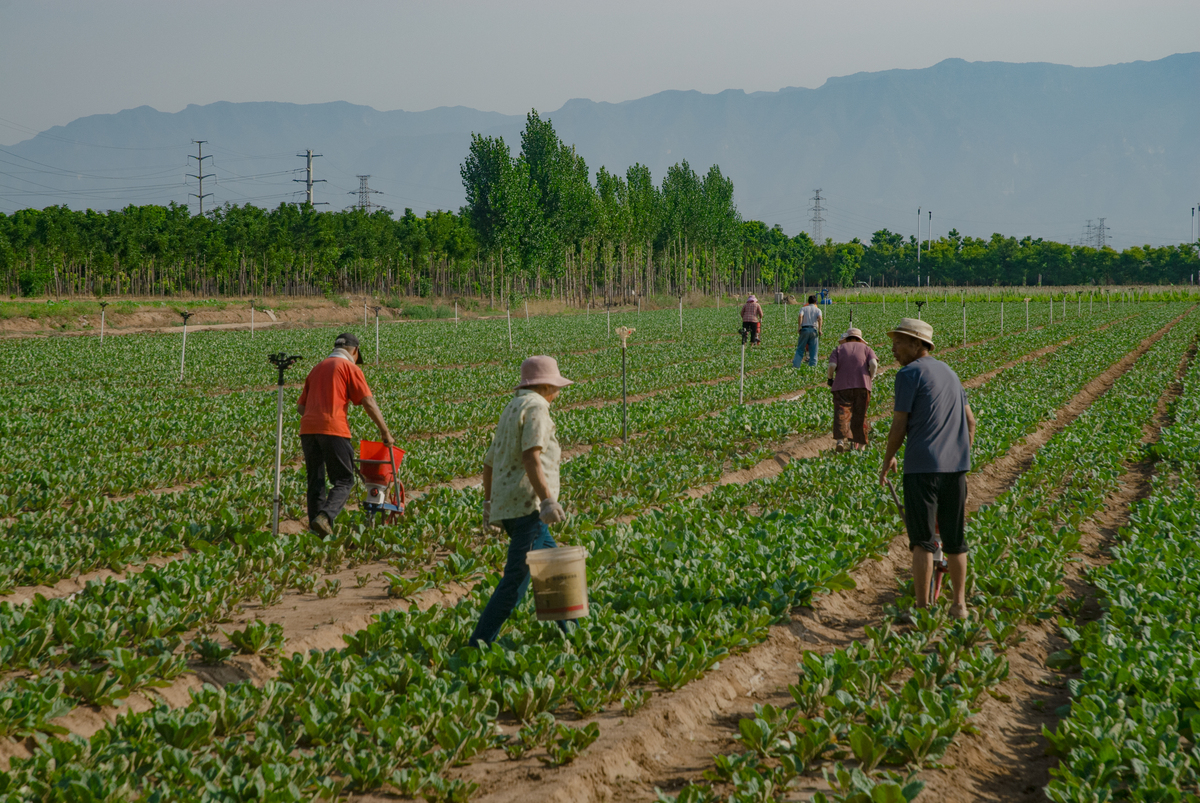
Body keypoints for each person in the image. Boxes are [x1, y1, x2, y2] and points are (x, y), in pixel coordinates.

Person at [470, 355, 576, 648]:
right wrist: (547, 501)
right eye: (556, 387)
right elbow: (532, 456)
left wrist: (489, 503)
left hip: (510, 506)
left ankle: (575, 635)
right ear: (544, 386)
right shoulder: (537, 408)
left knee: (555, 569)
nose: (557, 393)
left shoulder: (511, 407)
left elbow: (488, 462)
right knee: (515, 581)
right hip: (529, 508)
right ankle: (478, 642)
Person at [879, 318, 976, 620]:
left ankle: (922, 610)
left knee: (922, 540)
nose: (893, 348)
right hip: (956, 469)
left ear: (918, 345)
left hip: (922, 468)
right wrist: (960, 455)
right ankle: (959, 606)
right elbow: (970, 422)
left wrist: (887, 459)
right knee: (955, 539)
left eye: (899, 341)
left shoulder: (908, 375)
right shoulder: (951, 373)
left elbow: (899, 424)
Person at [297, 332, 393, 536]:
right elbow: (368, 401)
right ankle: (325, 517)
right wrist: (385, 432)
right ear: (355, 351)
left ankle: (317, 530)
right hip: (333, 427)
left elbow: (301, 407)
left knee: (316, 481)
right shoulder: (349, 367)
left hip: (307, 430)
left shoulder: (317, 368)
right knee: (344, 480)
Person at [827, 327, 878, 452]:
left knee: (842, 412)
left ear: (846, 339)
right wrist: (871, 376)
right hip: (862, 385)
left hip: (841, 386)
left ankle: (840, 440)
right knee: (860, 415)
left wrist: (830, 378)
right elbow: (873, 364)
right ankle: (860, 446)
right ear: (859, 339)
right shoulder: (867, 349)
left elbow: (832, 365)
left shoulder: (838, 349)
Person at [793, 295, 823, 368]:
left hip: (805, 329)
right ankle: (812, 368)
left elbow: (800, 316)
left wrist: (799, 327)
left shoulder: (803, 308)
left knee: (800, 349)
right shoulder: (818, 310)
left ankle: (796, 366)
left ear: (808, 301)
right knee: (814, 351)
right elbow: (820, 318)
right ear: (816, 302)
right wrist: (820, 330)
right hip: (814, 330)